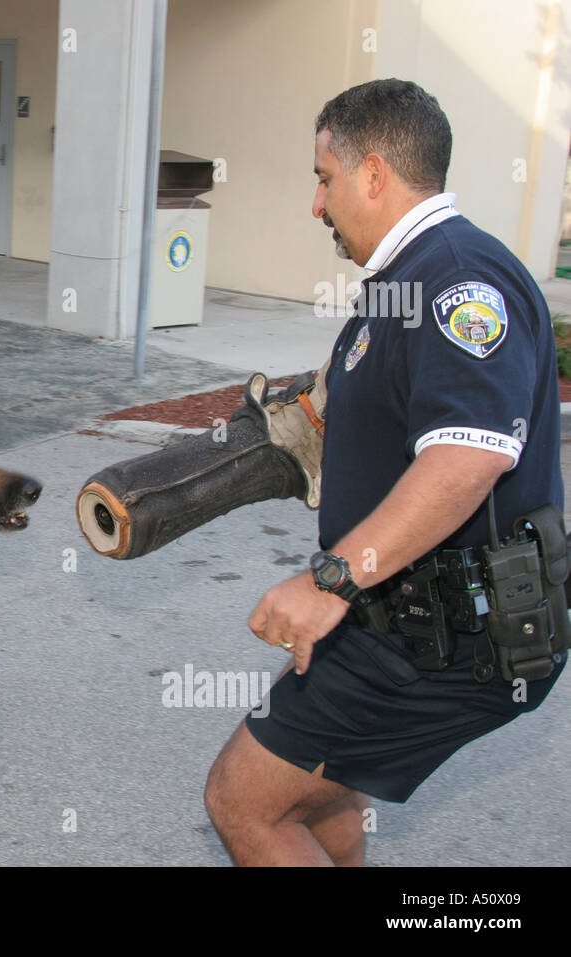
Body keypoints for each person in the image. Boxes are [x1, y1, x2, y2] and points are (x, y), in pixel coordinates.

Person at [203, 78, 566, 866]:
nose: (316, 203)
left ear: (373, 174)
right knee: (324, 786)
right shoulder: (407, 281)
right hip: (400, 613)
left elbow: (467, 459)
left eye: (323, 178)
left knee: (245, 801)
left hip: (447, 636)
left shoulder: (459, 280)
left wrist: (329, 580)